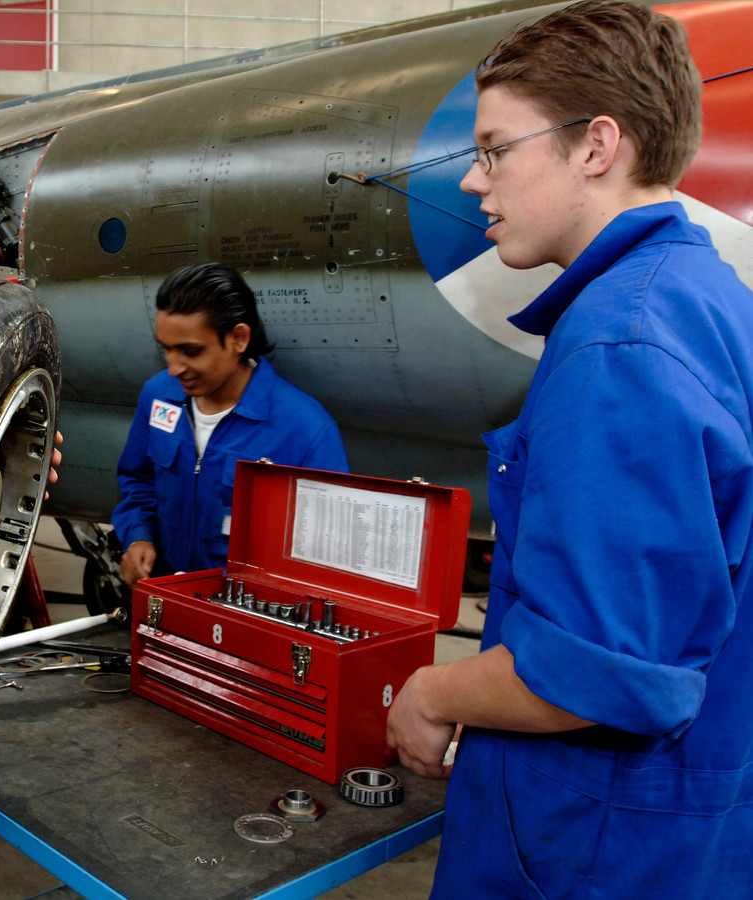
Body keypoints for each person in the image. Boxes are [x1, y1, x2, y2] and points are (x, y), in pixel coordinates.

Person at [385, 2, 753, 896]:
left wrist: (430, 693)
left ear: (595, 145)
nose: (471, 181)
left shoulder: (619, 346)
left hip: (593, 849)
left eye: (493, 149)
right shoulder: (708, 297)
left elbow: (600, 675)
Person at [112, 262, 348, 585]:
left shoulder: (307, 432)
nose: (174, 368)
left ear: (238, 338)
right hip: (164, 598)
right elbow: (137, 480)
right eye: (166, 349)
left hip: (246, 610)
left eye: (191, 351)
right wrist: (139, 536)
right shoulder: (158, 396)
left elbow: (322, 554)